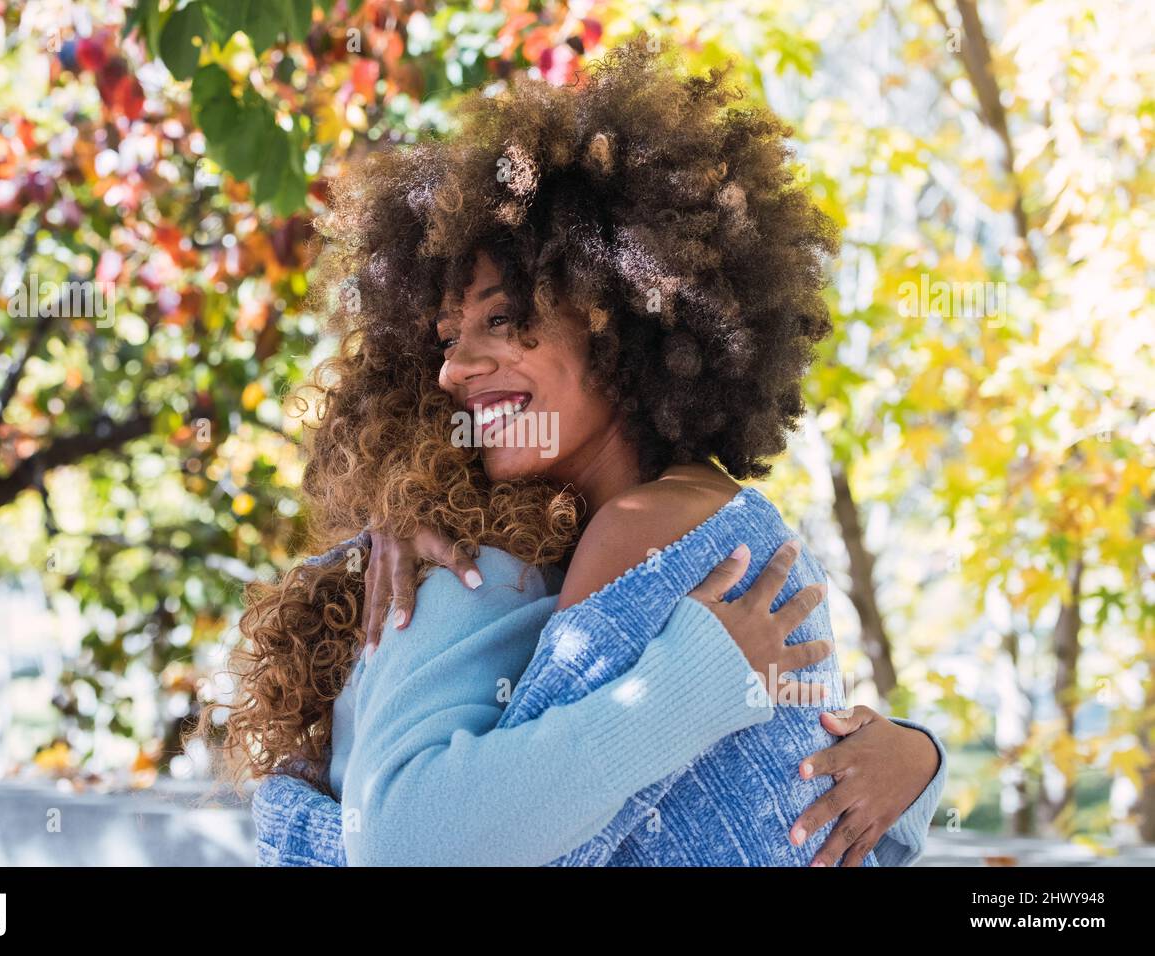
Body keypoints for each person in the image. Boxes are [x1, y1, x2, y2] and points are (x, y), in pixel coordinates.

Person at [200, 36, 947, 866]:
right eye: (447, 337)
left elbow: (442, 845)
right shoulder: (704, 519)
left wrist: (296, 827)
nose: (453, 368)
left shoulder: (637, 530)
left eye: (499, 317)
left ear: (619, 313)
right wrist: (920, 760)